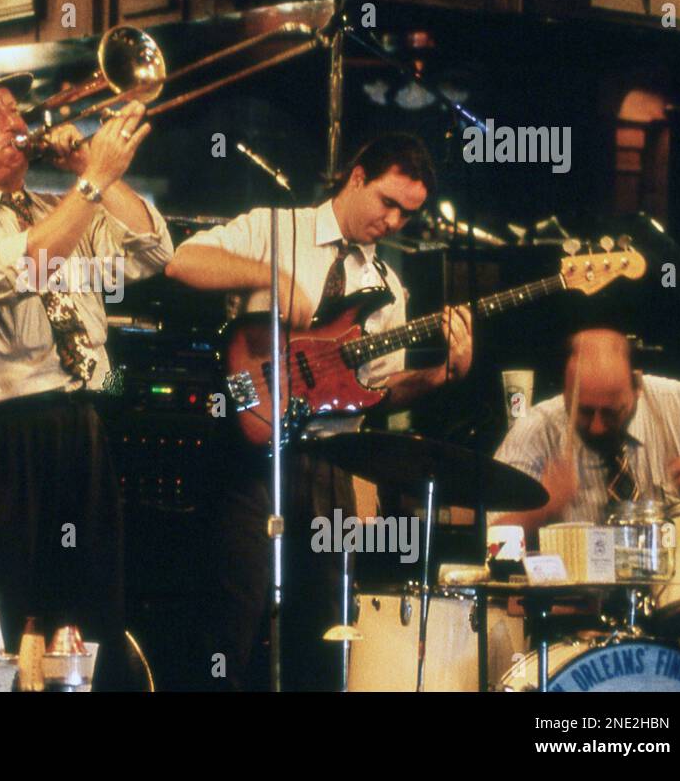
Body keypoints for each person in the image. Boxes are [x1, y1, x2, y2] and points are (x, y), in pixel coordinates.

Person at [164, 132, 472, 690]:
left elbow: (378, 392)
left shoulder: (387, 287)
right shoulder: (275, 228)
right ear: (356, 178)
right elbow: (181, 263)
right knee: (231, 620)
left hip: (332, 461)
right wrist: (269, 275)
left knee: (327, 631)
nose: (396, 222)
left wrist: (439, 376)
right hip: (253, 455)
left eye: (409, 214)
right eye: (388, 203)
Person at [0, 56, 174, 690]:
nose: (16, 124)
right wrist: (91, 187)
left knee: (85, 603)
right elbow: (21, 270)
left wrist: (92, 172)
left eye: (16, 112)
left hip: (75, 423)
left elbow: (152, 252)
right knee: (6, 605)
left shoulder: (60, 204)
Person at [493, 328, 680, 540]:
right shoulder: (536, 430)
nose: (597, 426)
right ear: (565, 391)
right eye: (584, 411)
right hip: (573, 582)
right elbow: (490, 537)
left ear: (637, 386)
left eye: (611, 412)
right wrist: (544, 508)